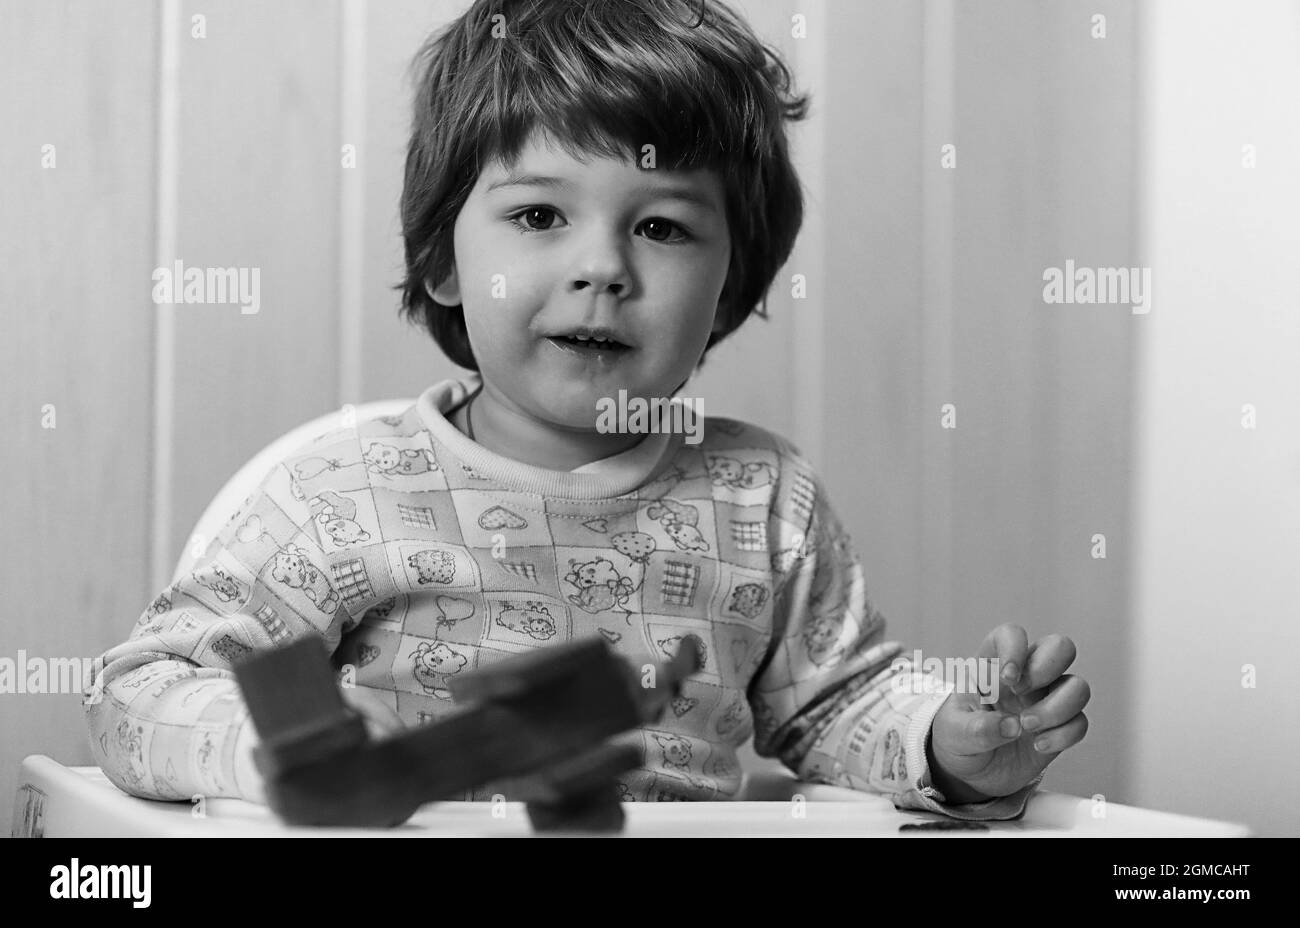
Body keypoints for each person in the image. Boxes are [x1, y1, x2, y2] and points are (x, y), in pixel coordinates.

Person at [87, 0, 1089, 818]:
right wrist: (279, 750)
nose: (602, 267)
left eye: (659, 226)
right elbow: (142, 690)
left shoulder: (762, 498)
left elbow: (835, 707)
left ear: (730, 290)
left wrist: (949, 748)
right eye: (537, 216)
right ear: (442, 261)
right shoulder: (336, 498)